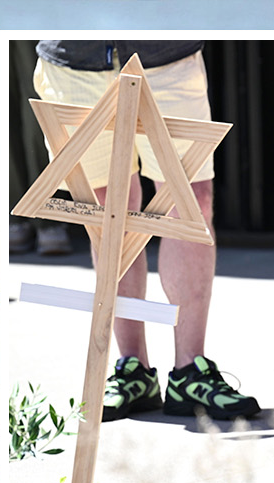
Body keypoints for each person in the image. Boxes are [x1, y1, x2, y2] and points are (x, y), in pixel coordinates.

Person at [31, 40, 258, 421]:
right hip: (74, 63)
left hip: (166, 57)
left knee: (191, 203)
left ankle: (189, 370)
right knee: (107, 212)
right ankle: (132, 369)